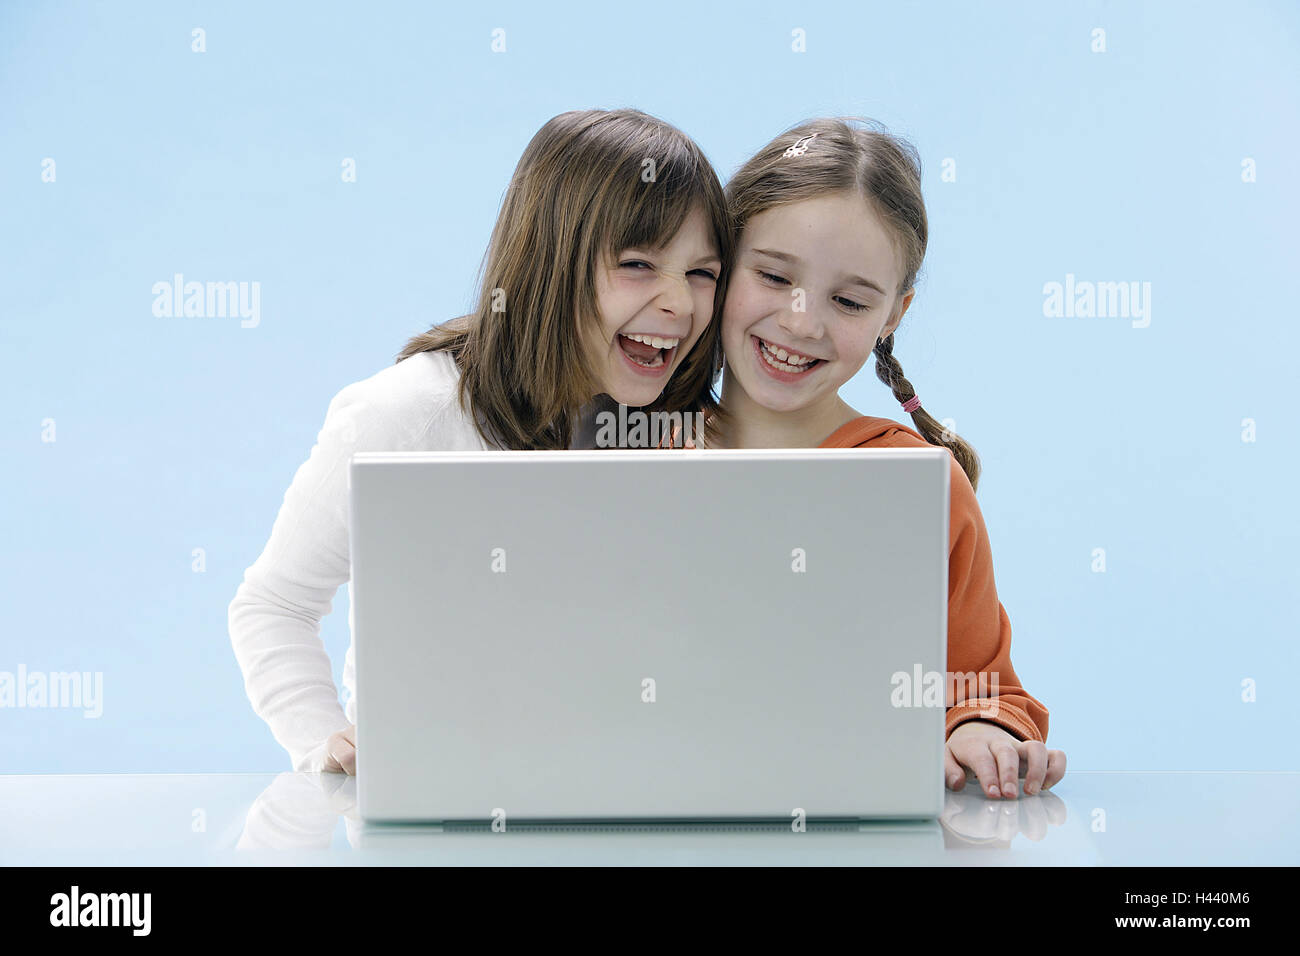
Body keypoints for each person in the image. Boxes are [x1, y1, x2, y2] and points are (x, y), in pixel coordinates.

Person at [229, 108, 731, 774]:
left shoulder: (682, 435)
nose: (680, 303)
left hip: (613, 789)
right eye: (638, 264)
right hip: (442, 804)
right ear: (548, 265)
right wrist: (323, 742)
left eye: (702, 273)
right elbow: (276, 603)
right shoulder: (409, 414)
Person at [707, 117, 1066, 799]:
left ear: (893, 315)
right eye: (774, 275)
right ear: (721, 264)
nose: (802, 321)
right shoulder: (635, 446)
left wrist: (979, 731)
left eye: (848, 300)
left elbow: (985, 689)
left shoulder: (919, 481)